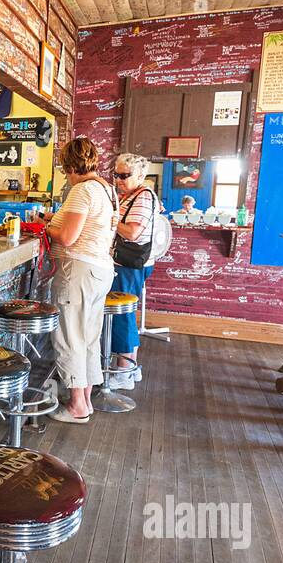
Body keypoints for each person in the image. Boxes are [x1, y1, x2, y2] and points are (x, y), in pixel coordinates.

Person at [43, 137, 118, 423]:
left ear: (70, 164)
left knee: (69, 336)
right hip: (100, 270)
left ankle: (76, 407)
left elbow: (67, 237)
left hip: (79, 269)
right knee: (88, 338)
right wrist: (56, 217)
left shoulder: (81, 190)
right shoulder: (107, 189)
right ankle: (85, 399)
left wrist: (48, 225)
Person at [110, 153, 158, 389]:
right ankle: (131, 367)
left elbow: (132, 233)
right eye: (116, 175)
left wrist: (108, 220)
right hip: (129, 265)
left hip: (128, 265)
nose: (119, 179)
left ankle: (123, 372)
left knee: (122, 315)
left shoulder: (142, 197)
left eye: (124, 175)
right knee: (126, 314)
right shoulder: (131, 196)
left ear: (140, 175)